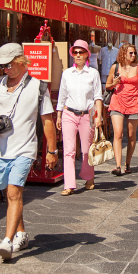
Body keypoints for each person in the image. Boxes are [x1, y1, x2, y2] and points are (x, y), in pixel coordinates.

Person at [0, 43, 56, 260]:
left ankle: (7, 240)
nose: (5, 69)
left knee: (14, 193)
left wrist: (52, 151)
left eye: (9, 65)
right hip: (1, 149)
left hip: (25, 149)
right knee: (10, 194)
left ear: (21, 62)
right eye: (2, 66)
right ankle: (21, 233)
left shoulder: (38, 87)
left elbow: (47, 121)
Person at [56, 40, 103, 196]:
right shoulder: (67, 73)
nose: (78, 55)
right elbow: (62, 96)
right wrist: (58, 115)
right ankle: (69, 184)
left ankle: (88, 177)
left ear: (86, 54)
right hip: (68, 113)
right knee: (69, 150)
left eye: (81, 52)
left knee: (85, 150)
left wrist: (98, 117)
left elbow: (98, 97)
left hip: (86, 114)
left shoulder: (93, 73)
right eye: (75, 52)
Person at [104, 42, 138, 176]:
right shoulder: (115, 67)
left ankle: (128, 163)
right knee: (118, 134)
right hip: (117, 102)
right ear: (124, 53)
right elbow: (107, 86)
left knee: (131, 136)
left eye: (134, 53)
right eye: (130, 53)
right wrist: (114, 84)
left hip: (134, 103)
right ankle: (118, 165)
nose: (133, 55)